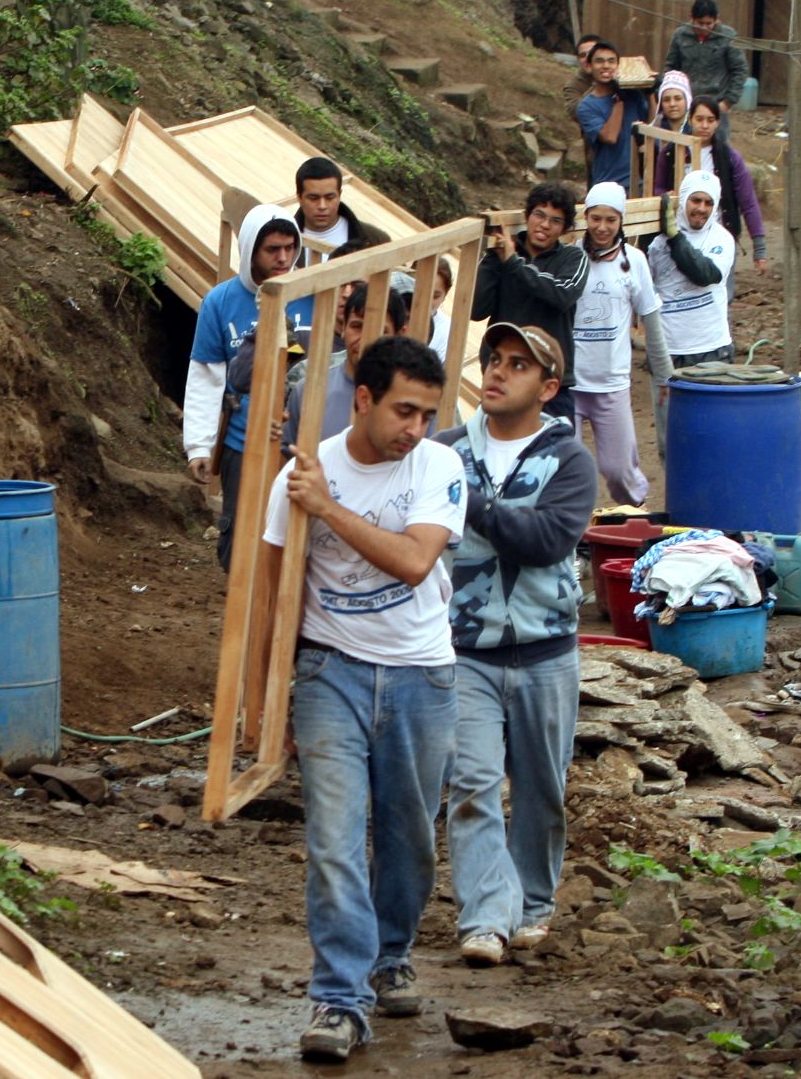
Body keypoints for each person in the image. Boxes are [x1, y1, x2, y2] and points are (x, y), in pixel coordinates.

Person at [261, 335, 466, 1061]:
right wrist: (267, 699)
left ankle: (391, 953)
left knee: (409, 840)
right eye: (405, 411)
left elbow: (414, 562)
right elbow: (272, 590)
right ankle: (339, 999)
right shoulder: (303, 474)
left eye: (427, 413)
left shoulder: (439, 465)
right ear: (364, 399)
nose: (416, 428)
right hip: (329, 673)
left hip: (422, 674)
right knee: (335, 840)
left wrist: (328, 509)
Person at [436, 323, 597, 968]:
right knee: (472, 783)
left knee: (540, 789)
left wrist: (471, 506)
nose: (497, 374)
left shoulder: (570, 460)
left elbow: (545, 541)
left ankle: (532, 904)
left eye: (517, 366)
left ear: (548, 387)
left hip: (546, 650)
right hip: (466, 649)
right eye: (493, 361)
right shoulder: (446, 450)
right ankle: (483, 919)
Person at [185, 204, 306, 571]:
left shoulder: (314, 294)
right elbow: (206, 377)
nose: (283, 257)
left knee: (293, 537)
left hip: (299, 442)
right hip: (242, 441)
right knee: (239, 538)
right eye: (272, 249)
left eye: (289, 247)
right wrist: (199, 445)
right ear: (252, 249)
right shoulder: (220, 303)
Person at [571, 182, 671, 506]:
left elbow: (651, 319)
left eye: (610, 220)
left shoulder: (635, 261)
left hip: (611, 383)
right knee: (563, 469)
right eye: (595, 218)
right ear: (586, 217)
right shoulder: (570, 257)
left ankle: (635, 516)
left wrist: (665, 375)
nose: (601, 227)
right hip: (569, 383)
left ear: (621, 222)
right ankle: (569, 540)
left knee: (618, 470)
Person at [471, 182, 588, 421]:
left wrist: (514, 263)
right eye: (539, 215)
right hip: (503, 375)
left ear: (565, 228)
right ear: (527, 216)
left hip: (551, 383)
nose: (544, 225)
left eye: (555, 220)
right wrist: (493, 259)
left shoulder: (573, 257)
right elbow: (475, 309)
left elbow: (561, 295)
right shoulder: (502, 255)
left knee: (552, 455)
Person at [284, 284, 410, 448]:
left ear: (399, 334)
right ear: (343, 328)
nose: (366, 338)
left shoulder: (416, 397)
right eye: (357, 326)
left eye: (380, 329)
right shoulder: (308, 389)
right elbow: (286, 460)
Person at [654, 97, 767, 275]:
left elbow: (748, 201)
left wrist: (759, 246)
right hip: (678, 235)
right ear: (690, 119)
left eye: (710, 120)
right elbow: (657, 188)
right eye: (699, 119)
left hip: (719, 234)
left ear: (718, 122)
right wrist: (667, 195)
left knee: (719, 288)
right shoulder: (670, 152)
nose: (705, 125)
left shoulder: (729, 158)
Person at [646, 169, 736, 370]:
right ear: (684, 199)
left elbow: (705, 274)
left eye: (709, 203)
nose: (702, 208)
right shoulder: (658, 242)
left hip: (712, 350)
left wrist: (675, 238)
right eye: (695, 200)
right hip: (668, 351)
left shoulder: (721, 238)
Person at [575, 41, 652, 191]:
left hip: (638, 181)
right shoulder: (586, 106)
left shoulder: (633, 95)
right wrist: (618, 98)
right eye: (599, 61)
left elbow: (651, 123)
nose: (606, 66)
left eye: (611, 61)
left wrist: (650, 93)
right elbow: (610, 136)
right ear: (589, 67)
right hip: (607, 182)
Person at [295, 156, 391, 262]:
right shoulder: (280, 240)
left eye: (330, 197)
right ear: (299, 197)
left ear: (339, 195)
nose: (322, 206)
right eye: (313, 198)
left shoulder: (375, 240)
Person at [661, 0, 746, 113]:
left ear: (717, 19)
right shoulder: (680, 35)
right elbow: (670, 67)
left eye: (709, 23)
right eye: (700, 23)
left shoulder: (728, 36)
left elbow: (740, 70)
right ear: (691, 17)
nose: (704, 27)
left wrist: (728, 102)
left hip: (717, 102)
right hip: (687, 102)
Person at [562, 32, 602, 121]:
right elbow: (575, 113)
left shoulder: (619, 73)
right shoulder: (573, 85)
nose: (588, 58)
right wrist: (600, 84)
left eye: (592, 53)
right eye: (583, 55)